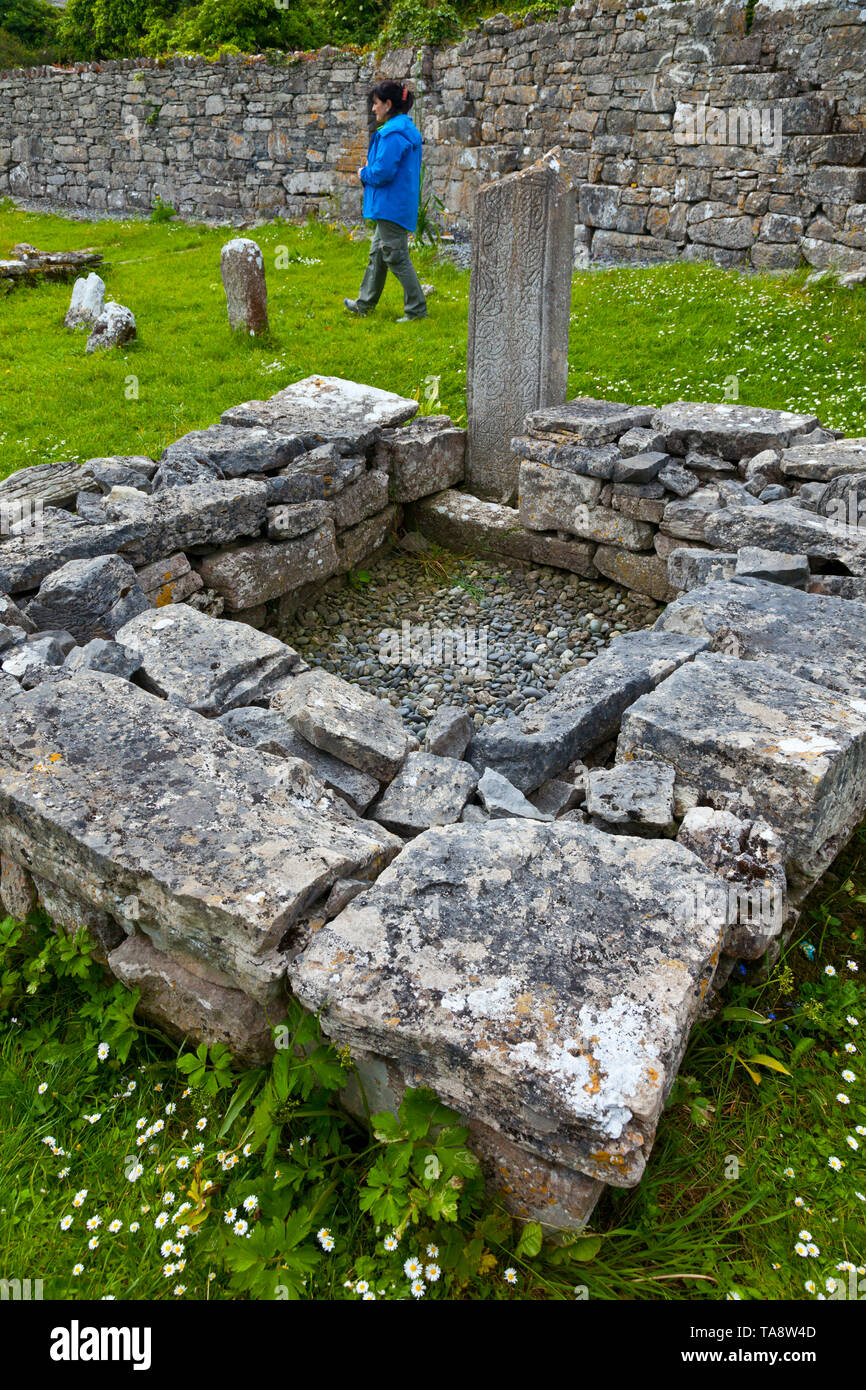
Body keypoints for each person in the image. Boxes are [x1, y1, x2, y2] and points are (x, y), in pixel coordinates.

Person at [344, 81, 428, 323]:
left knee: (395, 255)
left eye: (376, 103)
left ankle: (416, 310)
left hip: (392, 205)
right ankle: (364, 304)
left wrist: (363, 174)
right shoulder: (404, 129)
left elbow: (382, 173)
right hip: (396, 203)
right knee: (378, 255)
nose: (373, 109)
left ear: (388, 104)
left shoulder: (393, 135)